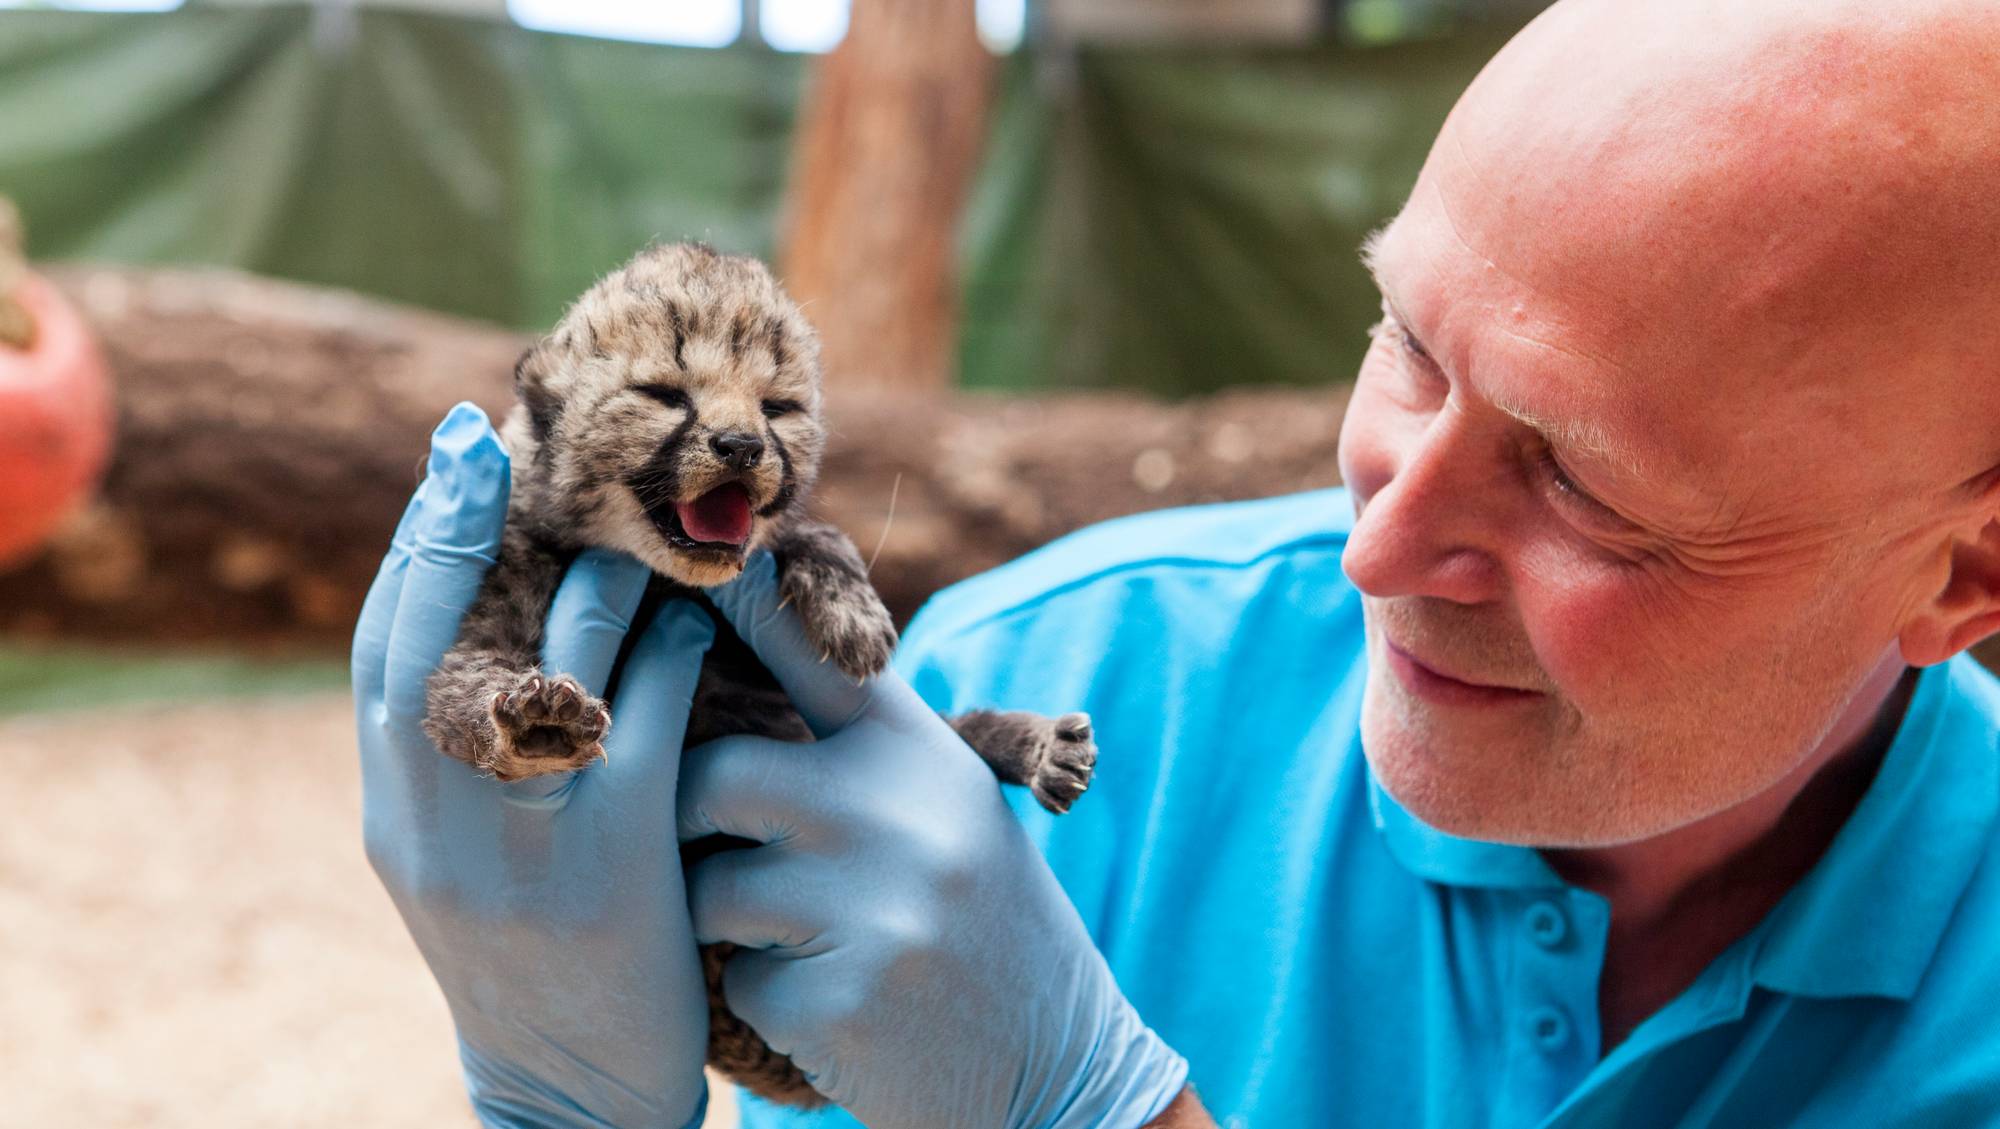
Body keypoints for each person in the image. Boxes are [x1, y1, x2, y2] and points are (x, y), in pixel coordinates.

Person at [351, 0, 2000, 1125]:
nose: (1377, 542)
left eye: (1589, 484)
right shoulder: (1046, 697)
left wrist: (1104, 1105)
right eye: (1407, 343)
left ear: (1962, 576)